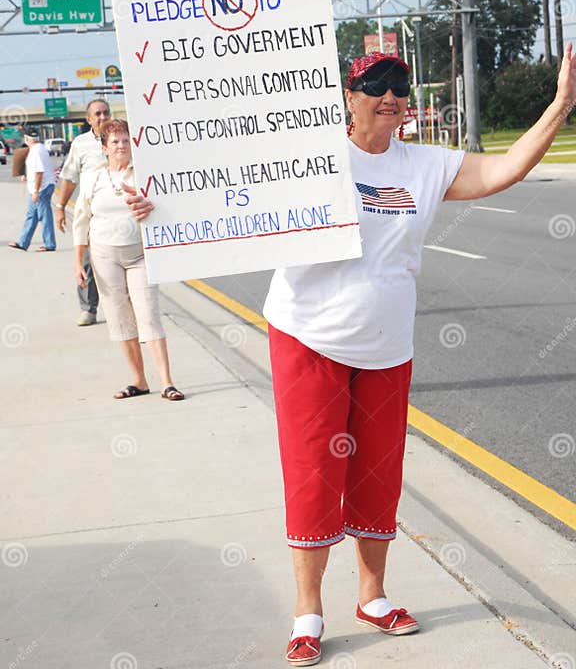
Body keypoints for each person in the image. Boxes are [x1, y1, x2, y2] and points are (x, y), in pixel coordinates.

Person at [124, 46, 576, 666]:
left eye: (399, 84)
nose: (389, 96)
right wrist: (163, 210)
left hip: (387, 345)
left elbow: (502, 171)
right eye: (375, 85)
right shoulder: (310, 157)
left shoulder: (424, 165)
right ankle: (308, 611)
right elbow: (221, 198)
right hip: (308, 337)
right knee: (314, 475)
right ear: (348, 96)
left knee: (376, 475)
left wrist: (559, 107)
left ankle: (372, 595)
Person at [73, 119, 184, 402]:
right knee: (119, 318)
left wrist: (150, 206)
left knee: (148, 314)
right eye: (115, 142)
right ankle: (139, 380)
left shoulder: (143, 175)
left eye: (125, 140)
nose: (121, 146)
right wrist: (77, 261)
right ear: (105, 148)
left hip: (139, 255)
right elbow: (81, 221)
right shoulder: (94, 178)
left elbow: (166, 207)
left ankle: (167, 382)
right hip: (103, 254)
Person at [58, 99, 110, 326]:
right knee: (88, 262)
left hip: (121, 212)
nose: (102, 117)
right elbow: (69, 178)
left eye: (105, 113)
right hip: (92, 213)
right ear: (89, 119)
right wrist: (60, 207)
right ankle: (89, 309)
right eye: (97, 114)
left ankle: (128, 307)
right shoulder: (80, 144)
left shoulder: (122, 137)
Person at [9, 130, 56, 252]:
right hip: (40, 187)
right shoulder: (38, 148)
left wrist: (36, 191)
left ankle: (49, 244)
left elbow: (39, 172)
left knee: (45, 216)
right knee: (31, 216)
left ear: (26, 138)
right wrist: (27, 177)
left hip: (41, 188)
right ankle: (23, 242)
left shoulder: (35, 151)